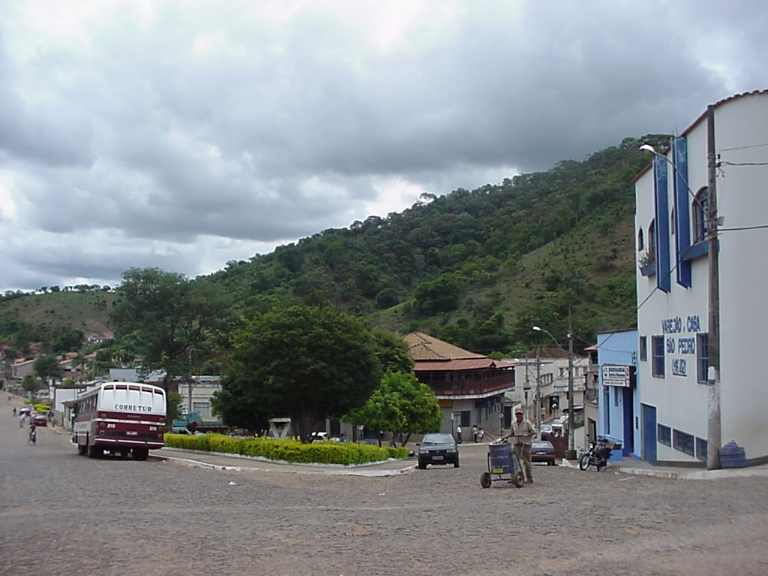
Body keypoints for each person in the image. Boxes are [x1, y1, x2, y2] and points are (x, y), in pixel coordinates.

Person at [506, 407, 537, 484]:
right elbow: (512, 433)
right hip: (517, 444)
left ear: (522, 415)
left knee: (526, 462)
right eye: (517, 414)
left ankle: (529, 478)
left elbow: (533, 432)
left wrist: (527, 434)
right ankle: (516, 477)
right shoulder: (513, 423)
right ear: (515, 415)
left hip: (526, 444)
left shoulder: (527, 423)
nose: (519, 415)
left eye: (520, 414)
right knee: (514, 461)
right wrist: (506, 437)